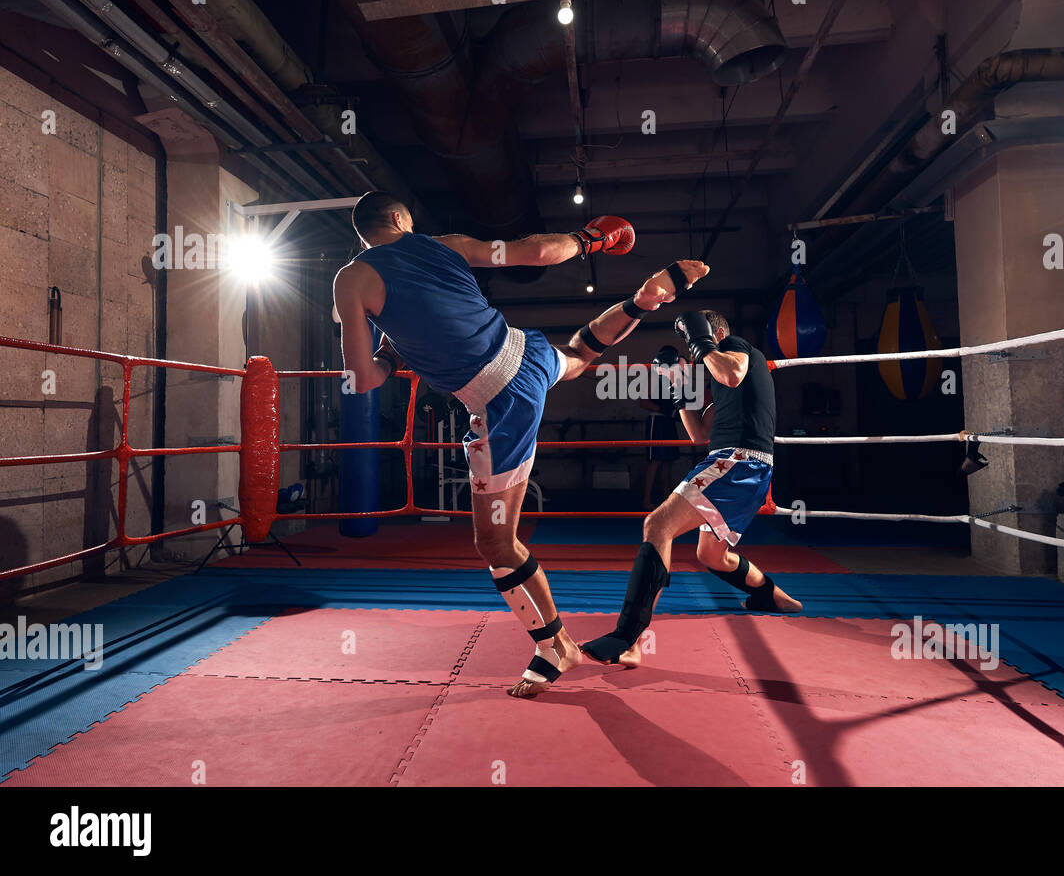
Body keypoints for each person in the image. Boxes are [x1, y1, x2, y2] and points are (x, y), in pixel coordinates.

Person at [331, 192, 709, 697]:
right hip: (522, 349)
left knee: (494, 542)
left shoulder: (352, 277)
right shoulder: (445, 245)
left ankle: (556, 646)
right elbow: (533, 251)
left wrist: (390, 357)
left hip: (499, 400)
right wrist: (588, 239)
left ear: (363, 234)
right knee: (575, 356)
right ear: (402, 220)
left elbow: (362, 377)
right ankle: (641, 303)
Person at [582, 309, 801, 668]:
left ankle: (628, 638)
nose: (690, 347)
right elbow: (699, 434)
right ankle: (771, 596)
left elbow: (731, 372)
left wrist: (702, 343)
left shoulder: (736, 348)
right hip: (734, 465)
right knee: (711, 556)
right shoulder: (725, 384)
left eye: (693, 338)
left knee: (657, 525)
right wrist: (678, 385)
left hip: (738, 463)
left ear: (713, 334)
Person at [638, 345, 685, 510]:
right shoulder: (653, 374)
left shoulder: (673, 376)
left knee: (668, 461)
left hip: (668, 421)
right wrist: (663, 410)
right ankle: (646, 500)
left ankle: (666, 499)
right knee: (655, 461)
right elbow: (643, 401)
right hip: (656, 422)